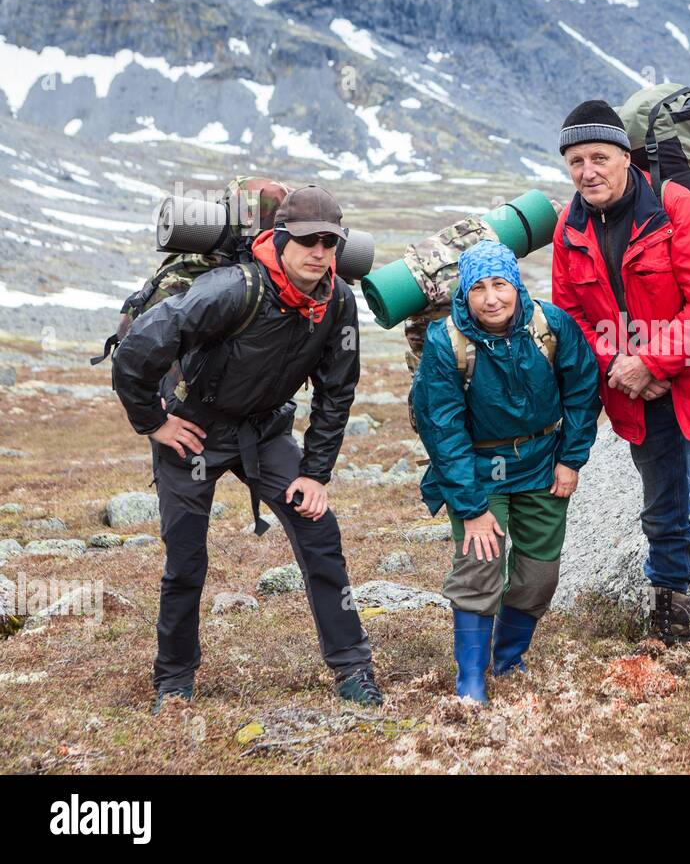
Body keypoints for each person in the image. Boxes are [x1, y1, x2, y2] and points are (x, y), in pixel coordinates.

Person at [111, 184, 384, 713]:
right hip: (192, 430)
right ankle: (173, 681)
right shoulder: (232, 290)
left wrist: (316, 474)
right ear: (280, 238)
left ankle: (353, 670)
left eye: (330, 242)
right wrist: (154, 423)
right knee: (186, 559)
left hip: (265, 431)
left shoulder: (338, 301)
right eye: (307, 241)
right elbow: (139, 351)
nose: (319, 253)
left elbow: (336, 391)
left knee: (319, 532)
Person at [548, 99, 690, 675]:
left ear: (625, 158)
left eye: (599, 157)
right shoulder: (569, 229)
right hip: (632, 391)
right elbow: (571, 321)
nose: (588, 171)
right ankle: (670, 620)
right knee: (661, 510)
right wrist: (622, 365)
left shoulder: (674, 206)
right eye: (575, 161)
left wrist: (654, 364)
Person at [411, 240, 600, 702]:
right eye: (478, 288)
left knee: (539, 575)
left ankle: (508, 660)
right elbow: (443, 428)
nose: (491, 298)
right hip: (478, 468)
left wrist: (571, 459)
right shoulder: (446, 341)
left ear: (516, 285)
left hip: (541, 464)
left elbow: (582, 392)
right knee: (480, 566)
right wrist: (472, 506)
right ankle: (471, 678)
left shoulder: (551, 326)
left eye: (500, 285)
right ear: (464, 294)